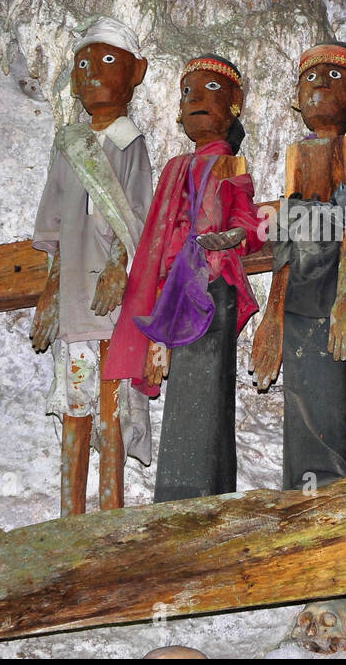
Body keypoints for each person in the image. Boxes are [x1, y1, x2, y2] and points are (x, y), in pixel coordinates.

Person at [102, 54, 264, 501]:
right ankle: (183, 493)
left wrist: (235, 236)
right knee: (187, 395)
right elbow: (162, 240)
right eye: (188, 91)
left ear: (234, 104)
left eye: (210, 90)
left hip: (214, 286)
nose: (195, 99)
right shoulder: (176, 167)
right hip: (179, 289)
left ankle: (202, 492)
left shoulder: (232, 164)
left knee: (207, 388)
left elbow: (249, 221)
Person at [31, 17, 154, 514]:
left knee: (111, 408)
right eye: (82, 64)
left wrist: (119, 267)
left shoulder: (130, 142)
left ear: (136, 72)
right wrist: (50, 293)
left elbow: (138, 217)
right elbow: (58, 226)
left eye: (106, 62)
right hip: (75, 304)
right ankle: (70, 519)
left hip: (113, 302)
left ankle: (109, 514)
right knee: (74, 407)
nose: (91, 73)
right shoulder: (69, 144)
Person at [252, 43, 346, 491]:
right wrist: (272, 314)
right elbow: (286, 237)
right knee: (298, 399)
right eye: (311, 77)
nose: (320, 84)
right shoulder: (295, 156)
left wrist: (345, 296)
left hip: (330, 291)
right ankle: (299, 490)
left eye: (334, 77)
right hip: (297, 293)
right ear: (296, 98)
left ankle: (329, 489)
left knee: (326, 400)